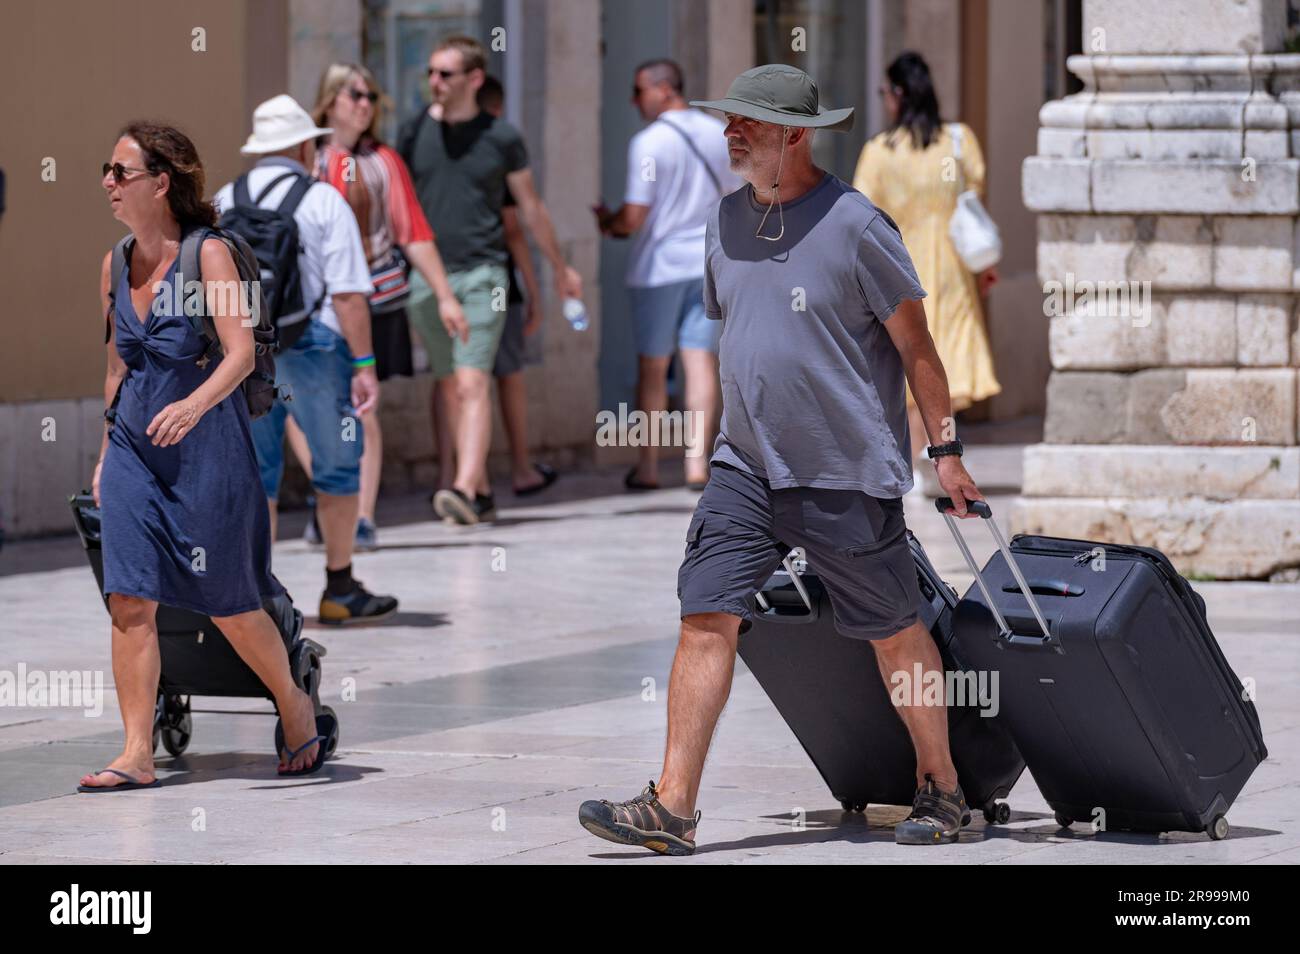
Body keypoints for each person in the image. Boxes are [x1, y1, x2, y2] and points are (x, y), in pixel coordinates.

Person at [578, 65, 987, 854]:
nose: (730, 132)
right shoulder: (723, 219)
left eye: (748, 123)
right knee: (706, 613)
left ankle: (941, 786)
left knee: (894, 629)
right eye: (728, 119)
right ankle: (673, 806)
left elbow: (917, 347)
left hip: (845, 468)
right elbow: (743, 330)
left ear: (795, 135)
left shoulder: (858, 225)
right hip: (745, 465)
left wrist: (947, 451)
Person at [83, 122, 323, 790]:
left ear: (161, 183)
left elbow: (240, 351)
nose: (108, 181)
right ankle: (134, 751)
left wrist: (194, 406)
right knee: (128, 599)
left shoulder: (209, 255)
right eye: (107, 169)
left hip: (208, 452)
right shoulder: (113, 262)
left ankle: (295, 704)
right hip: (135, 447)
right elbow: (114, 370)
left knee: (228, 601)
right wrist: (107, 455)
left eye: (120, 170)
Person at [215, 95, 398, 625]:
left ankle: (258, 594)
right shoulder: (323, 201)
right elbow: (348, 295)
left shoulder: (227, 198)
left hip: (245, 354)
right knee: (338, 466)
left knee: (257, 473)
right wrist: (364, 365)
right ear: (303, 144)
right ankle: (339, 588)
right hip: (315, 347)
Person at [399, 34, 582, 525]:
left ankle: (463, 485)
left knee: (473, 379)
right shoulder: (412, 132)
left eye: (445, 74)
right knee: (448, 385)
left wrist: (560, 269)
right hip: (427, 278)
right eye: (430, 73)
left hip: (484, 275)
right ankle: (473, 487)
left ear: (474, 79)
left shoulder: (501, 138)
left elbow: (530, 208)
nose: (434, 82)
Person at [288, 63, 466, 551]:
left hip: (373, 298)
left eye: (371, 96)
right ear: (329, 101)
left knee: (362, 406)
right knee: (296, 409)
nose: (365, 104)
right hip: (311, 305)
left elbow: (413, 232)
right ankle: (331, 493)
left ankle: (360, 517)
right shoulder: (309, 161)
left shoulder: (385, 160)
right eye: (355, 94)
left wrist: (446, 296)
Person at [853, 50, 1001, 468]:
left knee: (909, 350)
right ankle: (939, 448)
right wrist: (986, 265)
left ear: (898, 94)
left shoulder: (879, 151)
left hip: (899, 261)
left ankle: (922, 447)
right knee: (947, 348)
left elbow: (863, 210)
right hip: (952, 261)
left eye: (885, 91)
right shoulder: (958, 140)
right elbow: (974, 201)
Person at [596, 59, 736, 492]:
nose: (634, 101)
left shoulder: (648, 142)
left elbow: (635, 216)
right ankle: (697, 464)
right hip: (707, 263)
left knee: (653, 369)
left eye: (639, 92)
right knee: (700, 363)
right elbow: (736, 196)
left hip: (659, 268)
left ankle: (650, 466)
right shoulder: (718, 133)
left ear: (663, 90)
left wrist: (610, 223)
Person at [478, 75, 557, 498]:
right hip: (495, 281)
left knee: (455, 384)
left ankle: (459, 477)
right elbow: (514, 229)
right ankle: (522, 468)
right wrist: (536, 289)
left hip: (446, 279)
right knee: (508, 375)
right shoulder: (495, 153)